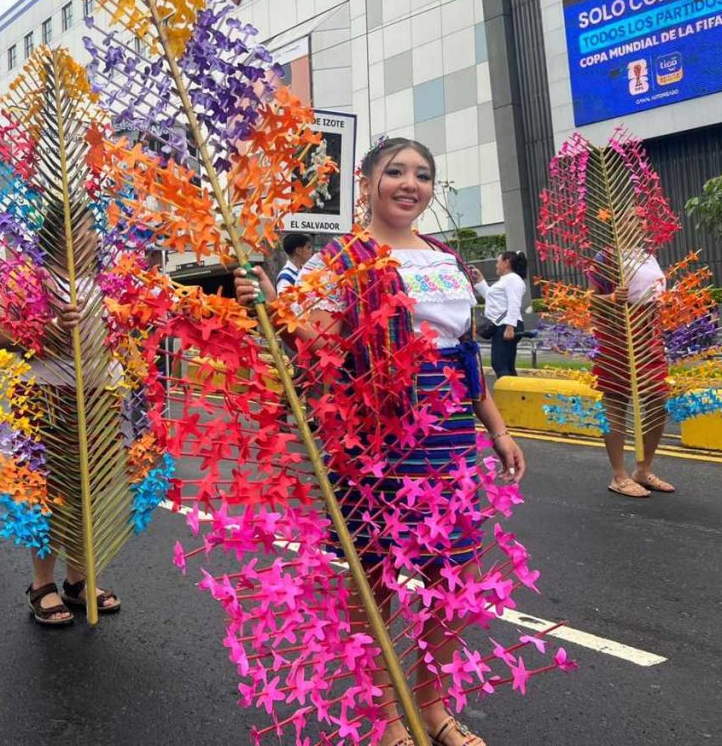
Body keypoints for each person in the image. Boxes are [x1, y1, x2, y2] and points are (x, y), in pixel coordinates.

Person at [235, 138, 526, 746]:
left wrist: (496, 429)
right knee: (374, 572)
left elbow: (465, 353)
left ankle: (432, 705)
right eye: (395, 171)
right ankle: (387, 714)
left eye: (422, 174)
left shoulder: (445, 258)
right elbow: (317, 347)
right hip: (375, 435)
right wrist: (273, 309)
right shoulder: (338, 261)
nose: (409, 184)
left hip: (450, 436)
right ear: (366, 183)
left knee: (455, 571)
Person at [0, 210, 121, 626]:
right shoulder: (28, 278)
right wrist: (51, 327)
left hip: (97, 396)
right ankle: (41, 584)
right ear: (61, 234)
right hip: (44, 396)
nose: (94, 236)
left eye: (93, 230)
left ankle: (78, 580)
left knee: (89, 489)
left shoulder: (105, 281)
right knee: (48, 492)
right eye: (86, 228)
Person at [588, 247, 675, 498]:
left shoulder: (648, 256)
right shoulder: (605, 257)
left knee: (658, 398)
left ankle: (643, 470)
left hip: (649, 334)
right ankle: (619, 475)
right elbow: (590, 301)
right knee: (617, 399)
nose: (641, 227)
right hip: (618, 333)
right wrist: (612, 297)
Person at [477, 251, 528, 378]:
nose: (496, 265)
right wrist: (480, 280)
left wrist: (510, 327)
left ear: (506, 263)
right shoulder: (507, 279)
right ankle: (513, 389)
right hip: (504, 325)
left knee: (499, 364)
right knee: (506, 365)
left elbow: (514, 303)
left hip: (506, 326)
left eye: (498, 261)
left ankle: (508, 389)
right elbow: (492, 298)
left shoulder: (512, 279)